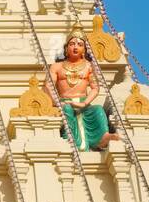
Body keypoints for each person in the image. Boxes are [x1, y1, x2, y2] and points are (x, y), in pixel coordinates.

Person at [46, 24, 120, 152]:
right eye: (72, 44)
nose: (75, 47)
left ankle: (103, 137)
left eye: (79, 44)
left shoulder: (89, 66)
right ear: (66, 48)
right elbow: (48, 85)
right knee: (67, 110)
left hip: (83, 104)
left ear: (84, 49)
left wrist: (85, 103)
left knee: (98, 110)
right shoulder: (56, 67)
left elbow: (95, 88)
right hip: (64, 102)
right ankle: (69, 140)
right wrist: (56, 102)